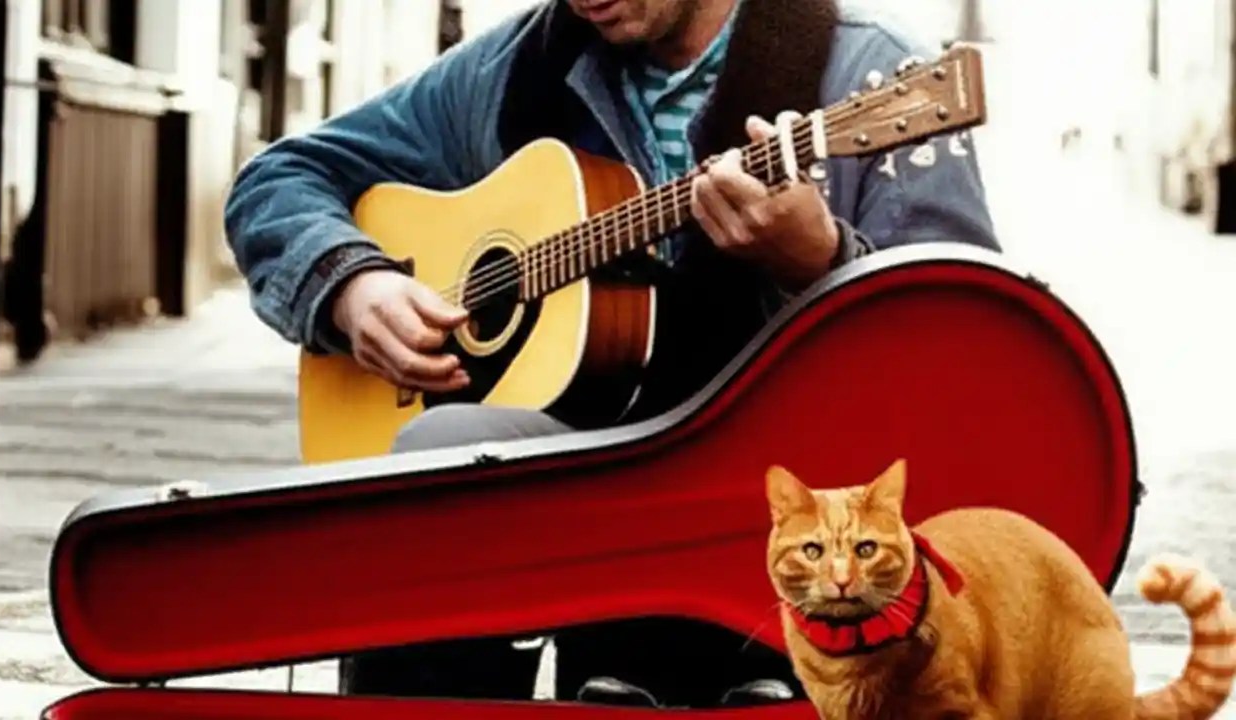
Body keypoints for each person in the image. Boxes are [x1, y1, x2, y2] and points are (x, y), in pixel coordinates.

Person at [224, 0, 1000, 708]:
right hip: (593, 466)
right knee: (435, 457)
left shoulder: (871, 73)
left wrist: (820, 261)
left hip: (789, 492)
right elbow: (281, 178)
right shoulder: (517, 69)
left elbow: (958, 354)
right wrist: (350, 283)